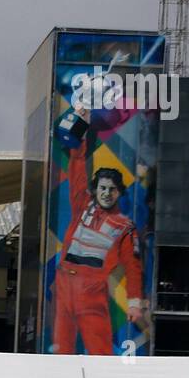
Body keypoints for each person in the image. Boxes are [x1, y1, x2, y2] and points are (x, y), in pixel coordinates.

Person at [52, 102, 147, 354]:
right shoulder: (82, 204)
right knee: (60, 354)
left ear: (119, 193)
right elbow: (77, 166)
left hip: (91, 290)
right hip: (64, 281)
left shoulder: (124, 227)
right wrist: (80, 132)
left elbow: (133, 267)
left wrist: (134, 303)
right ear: (96, 190)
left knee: (100, 353)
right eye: (102, 188)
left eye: (112, 189)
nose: (106, 193)